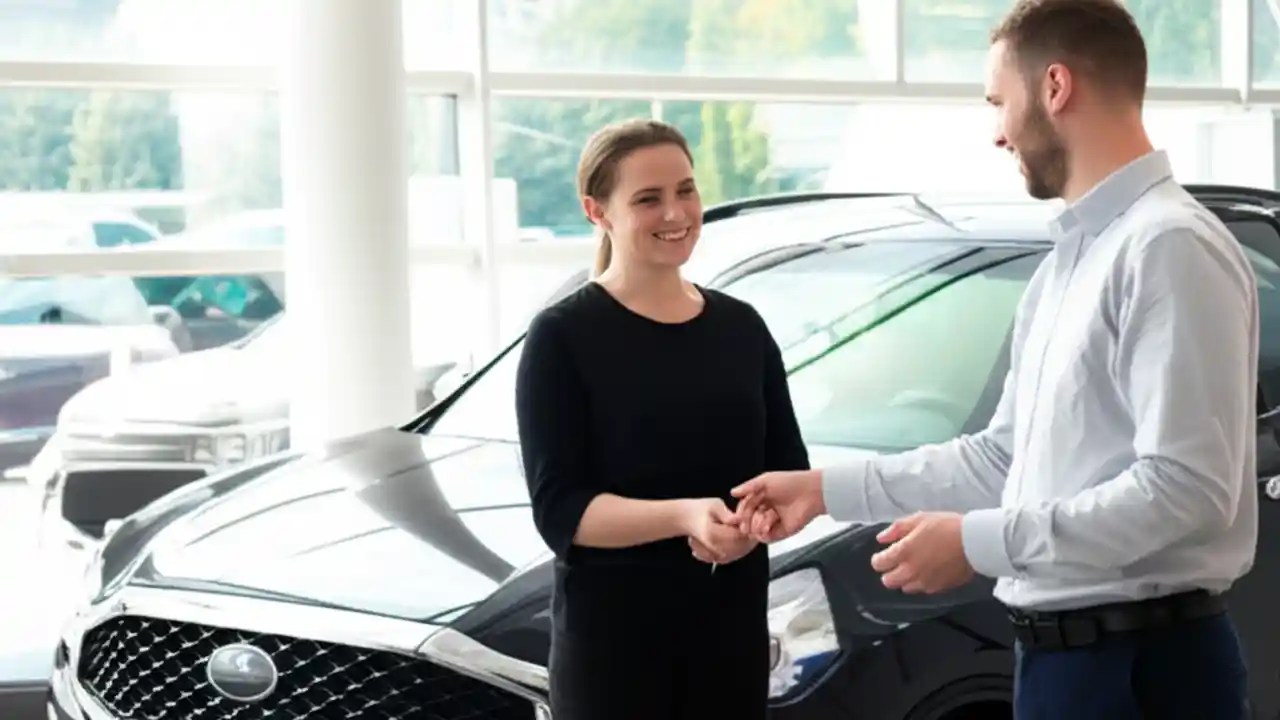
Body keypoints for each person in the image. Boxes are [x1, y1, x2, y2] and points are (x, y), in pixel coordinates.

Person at [731, 1, 1259, 718]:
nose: (997, 132)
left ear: (1055, 88)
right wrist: (824, 490)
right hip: (1066, 663)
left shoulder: (1168, 247)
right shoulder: (1070, 264)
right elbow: (1001, 459)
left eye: (998, 101)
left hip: (1141, 669)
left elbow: (1184, 490)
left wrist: (977, 542)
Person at [514, 118, 809, 719]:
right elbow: (562, 511)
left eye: (686, 190)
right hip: (615, 660)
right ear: (598, 212)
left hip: (730, 646)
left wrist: (753, 522)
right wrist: (685, 517)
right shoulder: (563, 337)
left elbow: (787, 474)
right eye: (648, 198)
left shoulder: (742, 329)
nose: (676, 213)